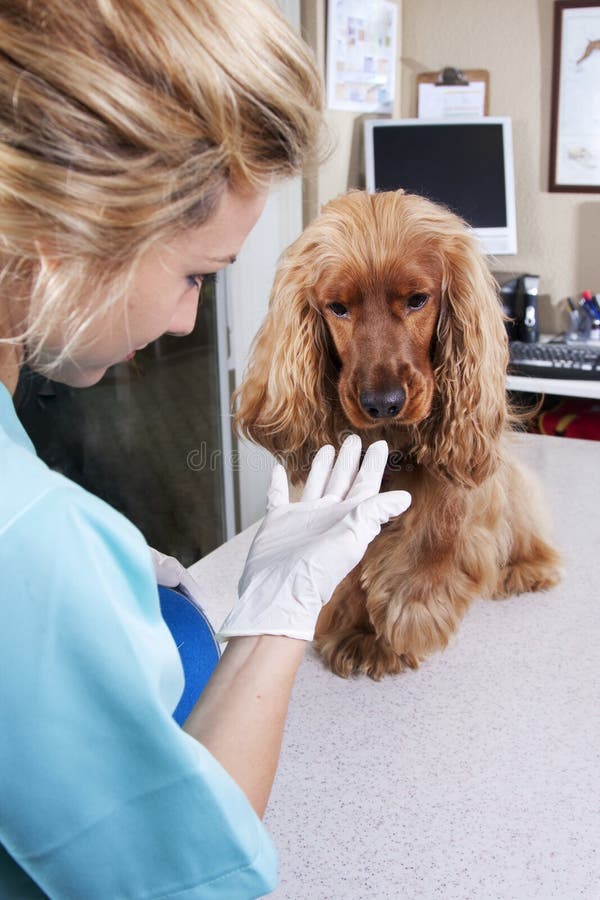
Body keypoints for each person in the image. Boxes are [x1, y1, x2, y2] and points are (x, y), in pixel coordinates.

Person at [0, 1, 411, 897]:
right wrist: (281, 614)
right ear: (72, 228)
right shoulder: (27, 543)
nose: (189, 317)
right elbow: (190, 880)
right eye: (196, 275)